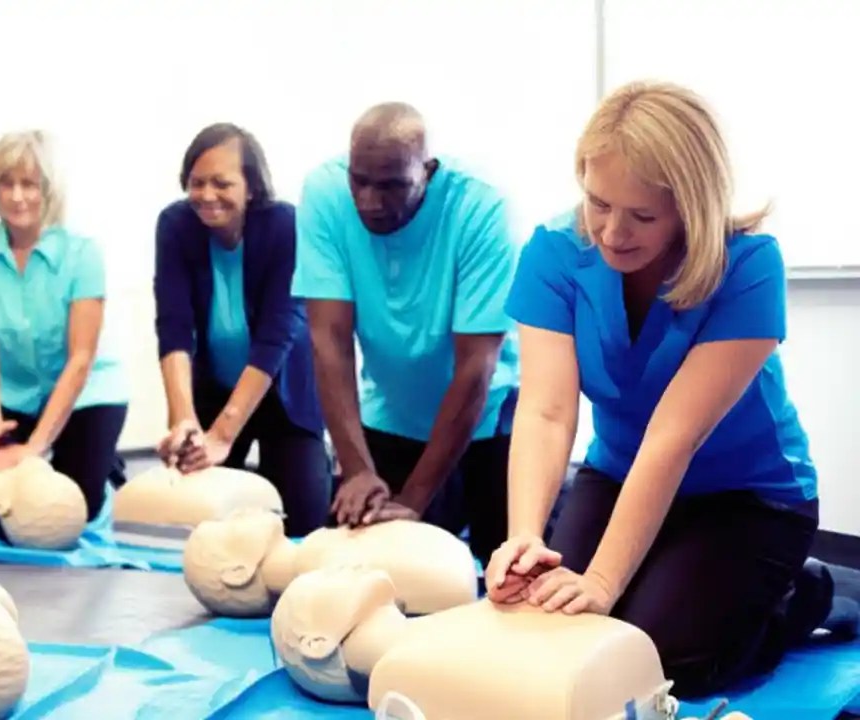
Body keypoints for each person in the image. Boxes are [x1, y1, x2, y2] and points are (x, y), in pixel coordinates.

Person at [486, 80, 855, 697]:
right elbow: (548, 412)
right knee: (557, 630)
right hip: (620, 472)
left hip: (749, 498)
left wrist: (604, 579)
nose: (611, 232)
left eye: (643, 215)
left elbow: (673, 438)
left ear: (691, 204)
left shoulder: (749, 265)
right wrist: (523, 539)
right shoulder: (554, 251)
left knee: (656, 665)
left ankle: (802, 594)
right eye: (598, 203)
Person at [291, 101, 522, 565]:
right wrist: (355, 469)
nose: (370, 201)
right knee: (356, 565)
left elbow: (477, 364)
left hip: (488, 416)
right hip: (392, 415)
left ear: (428, 171)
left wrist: (415, 501)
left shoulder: (482, 207)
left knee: (509, 575)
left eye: (393, 186)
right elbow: (329, 340)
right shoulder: (324, 192)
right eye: (360, 180)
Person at [154, 123, 331, 537]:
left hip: (285, 395)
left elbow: (276, 337)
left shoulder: (286, 226)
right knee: (206, 523)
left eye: (222, 183)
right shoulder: (176, 225)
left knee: (302, 522)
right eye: (196, 183)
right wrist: (185, 421)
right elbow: (174, 327)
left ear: (251, 187)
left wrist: (222, 434)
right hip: (216, 387)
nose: (206, 195)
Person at [0, 130, 128, 522]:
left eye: (29, 184)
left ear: (49, 189)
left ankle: (101, 460)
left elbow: (80, 359)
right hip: (17, 395)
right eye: (7, 183)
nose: (17, 196)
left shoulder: (84, 253)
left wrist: (33, 447)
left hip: (88, 392)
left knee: (64, 508)